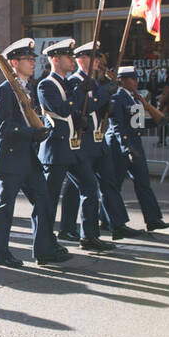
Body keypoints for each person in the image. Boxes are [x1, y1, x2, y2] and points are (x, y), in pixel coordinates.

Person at [0, 39, 63, 268]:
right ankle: (0, 253)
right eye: (28, 60)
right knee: (5, 207)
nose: (33, 63)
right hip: (10, 158)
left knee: (44, 200)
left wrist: (41, 129)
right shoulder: (5, 91)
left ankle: (43, 249)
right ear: (14, 63)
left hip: (29, 158)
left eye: (33, 59)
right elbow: (5, 128)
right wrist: (31, 133)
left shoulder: (26, 88)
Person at [58, 44, 126, 245]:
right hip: (84, 142)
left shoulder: (95, 82)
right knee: (82, 188)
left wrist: (110, 99)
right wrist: (104, 93)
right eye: (92, 57)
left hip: (98, 140)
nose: (98, 61)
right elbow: (84, 107)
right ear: (81, 60)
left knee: (108, 182)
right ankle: (75, 230)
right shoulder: (75, 82)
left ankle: (118, 224)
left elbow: (100, 106)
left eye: (98, 57)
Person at [107, 66, 169, 233]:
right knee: (114, 186)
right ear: (122, 80)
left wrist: (152, 114)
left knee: (143, 183)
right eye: (132, 78)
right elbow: (117, 126)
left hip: (135, 145)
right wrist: (126, 146)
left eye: (136, 78)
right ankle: (107, 219)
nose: (136, 82)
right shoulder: (117, 98)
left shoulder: (135, 98)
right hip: (120, 147)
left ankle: (153, 219)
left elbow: (138, 123)